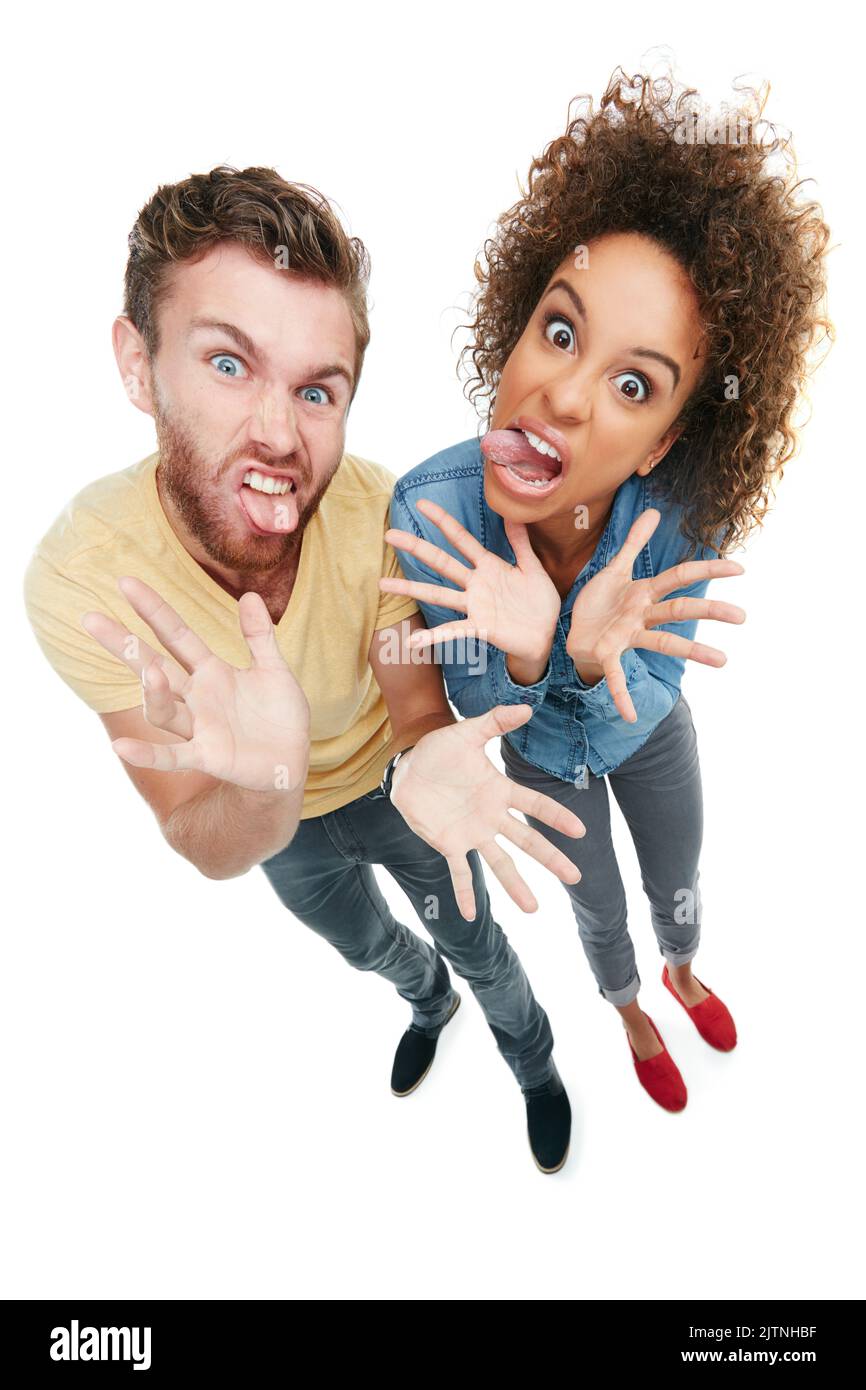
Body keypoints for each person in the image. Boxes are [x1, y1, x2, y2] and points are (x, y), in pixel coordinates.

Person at [22, 166, 588, 1174]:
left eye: (315, 389)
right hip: (276, 825)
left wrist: (424, 756)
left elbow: (410, 696)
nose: (278, 436)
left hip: (396, 791)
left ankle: (532, 1061)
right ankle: (426, 1004)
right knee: (370, 947)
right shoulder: (83, 579)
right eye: (227, 363)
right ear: (137, 362)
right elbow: (198, 830)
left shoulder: (384, 519)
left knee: (479, 941)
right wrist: (265, 781)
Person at [382, 68, 831, 1112]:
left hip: (649, 737)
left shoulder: (680, 520)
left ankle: (681, 968)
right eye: (557, 329)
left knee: (677, 878)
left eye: (633, 385)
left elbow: (649, 679)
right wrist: (537, 660)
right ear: (514, 323)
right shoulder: (427, 511)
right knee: (596, 912)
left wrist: (586, 659)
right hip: (542, 768)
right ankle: (629, 1003)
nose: (564, 396)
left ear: (665, 438)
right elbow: (440, 683)